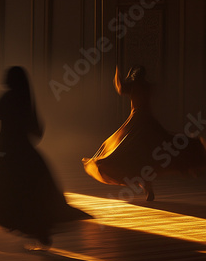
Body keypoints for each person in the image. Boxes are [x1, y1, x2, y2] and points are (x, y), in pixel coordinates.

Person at [0, 66, 89, 248]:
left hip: (4, 151)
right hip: (25, 152)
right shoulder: (25, 99)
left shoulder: (8, 97)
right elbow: (37, 130)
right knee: (32, 193)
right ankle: (41, 230)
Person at [83, 66, 206, 200]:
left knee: (130, 154)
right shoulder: (148, 86)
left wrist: (117, 71)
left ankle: (147, 187)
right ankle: (185, 165)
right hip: (149, 121)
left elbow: (120, 88)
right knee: (156, 149)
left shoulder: (133, 85)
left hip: (137, 121)